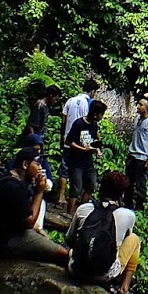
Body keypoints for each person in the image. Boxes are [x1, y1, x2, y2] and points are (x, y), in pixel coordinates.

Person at [0, 146, 68, 263]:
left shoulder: (12, 179)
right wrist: (39, 192)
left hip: (4, 231)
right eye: (37, 164)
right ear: (25, 165)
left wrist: (38, 229)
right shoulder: (13, 187)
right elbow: (29, 222)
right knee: (62, 253)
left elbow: (19, 214)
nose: (40, 168)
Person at [65, 170, 142, 294]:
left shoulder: (83, 208)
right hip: (105, 273)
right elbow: (125, 239)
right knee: (134, 239)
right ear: (121, 194)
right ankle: (124, 288)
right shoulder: (127, 215)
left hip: (76, 269)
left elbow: (70, 238)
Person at [59, 77, 98, 206]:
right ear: (92, 92)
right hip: (80, 144)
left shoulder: (70, 100)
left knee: (64, 169)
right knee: (78, 174)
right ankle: (79, 202)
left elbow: (63, 120)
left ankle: (61, 196)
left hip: (67, 140)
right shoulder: (89, 103)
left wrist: (62, 138)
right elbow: (89, 121)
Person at [63, 98, 106, 209]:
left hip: (88, 162)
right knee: (76, 188)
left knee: (91, 185)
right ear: (95, 114)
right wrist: (82, 149)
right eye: (102, 114)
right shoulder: (78, 124)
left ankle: (82, 210)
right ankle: (69, 214)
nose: (102, 117)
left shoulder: (94, 124)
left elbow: (96, 138)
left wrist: (98, 149)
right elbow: (68, 141)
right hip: (76, 161)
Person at [127, 95, 148, 210]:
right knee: (128, 183)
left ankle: (139, 208)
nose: (138, 106)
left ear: (147, 108)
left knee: (140, 183)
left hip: (142, 157)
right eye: (138, 104)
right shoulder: (136, 119)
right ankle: (127, 205)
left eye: (141, 105)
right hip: (132, 155)